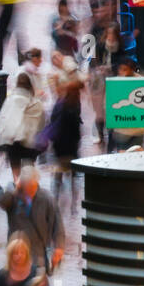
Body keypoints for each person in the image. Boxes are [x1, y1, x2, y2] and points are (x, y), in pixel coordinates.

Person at [0, 164, 65, 274]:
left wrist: (59, 247)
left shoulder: (46, 198)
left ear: (37, 184)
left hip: (38, 256)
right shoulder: (13, 196)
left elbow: (57, 224)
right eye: (26, 188)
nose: (29, 193)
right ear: (21, 185)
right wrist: (13, 189)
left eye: (32, 188)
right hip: (16, 254)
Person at [0, 72, 46, 178]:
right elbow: (41, 125)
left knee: (16, 175)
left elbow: (3, 119)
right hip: (30, 143)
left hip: (13, 142)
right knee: (29, 174)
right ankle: (28, 190)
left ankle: (17, 186)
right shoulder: (37, 104)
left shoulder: (10, 101)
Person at [48, 77, 82, 206]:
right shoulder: (76, 106)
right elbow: (77, 130)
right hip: (72, 147)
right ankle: (74, 204)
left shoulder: (60, 104)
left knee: (57, 175)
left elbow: (52, 121)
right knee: (74, 176)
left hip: (59, 146)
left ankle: (55, 200)